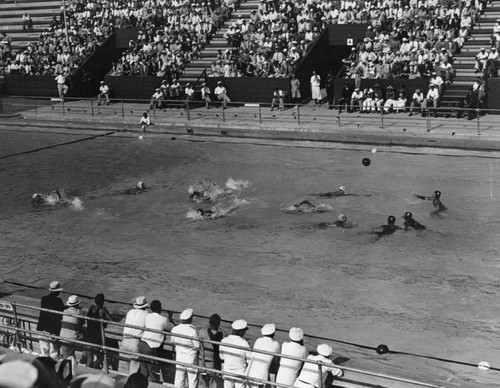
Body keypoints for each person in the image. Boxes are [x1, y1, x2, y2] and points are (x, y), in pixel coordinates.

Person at [138, 300, 174, 383]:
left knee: (144, 371)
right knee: (153, 372)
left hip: (142, 343)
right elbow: (172, 328)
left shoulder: (147, 316)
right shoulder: (163, 319)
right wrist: (170, 317)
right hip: (151, 347)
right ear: (160, 308)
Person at [83, 293, 114, 369]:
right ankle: (93, 368)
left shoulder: (90, 308)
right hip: (97, 337)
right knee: (101, 358)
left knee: (89, 359)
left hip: (88, 335)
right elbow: (111, 320)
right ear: (103, 301)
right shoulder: (102, 309)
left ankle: (88, 371)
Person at [171, 308, 200, 388]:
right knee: (192, 380)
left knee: (179, 379)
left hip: (179, 357)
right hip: (190, 358)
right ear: (191, 319)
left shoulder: (174, 329)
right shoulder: (192, 331)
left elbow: (172, 342)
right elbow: (197, 346)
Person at [37, 281, 65, 359]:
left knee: (44, 350)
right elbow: (61, 311)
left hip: (42, 326)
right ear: (57, 291)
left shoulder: (44, 299)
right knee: (54, 352)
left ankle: (44, 366)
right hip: (53, 328)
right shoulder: (58, 301)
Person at [246, 323, 280, 388]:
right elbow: (276, 360)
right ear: (273, 334)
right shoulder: (276, 344)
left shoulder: (258, 340)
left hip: (250, 371)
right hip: (261, 375)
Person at [121, 296, 149, 375]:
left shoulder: (130, 312)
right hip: (135, 342)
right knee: (134, 368)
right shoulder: (146, 314)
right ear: (145, 306)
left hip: (125, 340)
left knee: (123, 368)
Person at [220, 319, 251, 388]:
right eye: (244, 331)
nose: (244, 333)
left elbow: (221, 357)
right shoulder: (244, 343)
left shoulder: (224, 341)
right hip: (240, 372)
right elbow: (249, 359)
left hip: (227, 370)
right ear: (240, 331)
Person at [198, 314, 224, 388]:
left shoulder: (202, 332)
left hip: (202, 362)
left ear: (209, 323)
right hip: (215, 364)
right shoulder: (221, 334)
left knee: (202, 382)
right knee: (213, 383)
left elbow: (199, 347)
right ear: (219, 324)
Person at [59, 295, 84, 360]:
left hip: (63, 336)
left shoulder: (65, 311)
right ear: (77, 304)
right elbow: (82, 323)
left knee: (67, 354)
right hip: (72, 337)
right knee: (69, 356)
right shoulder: (79, 312)